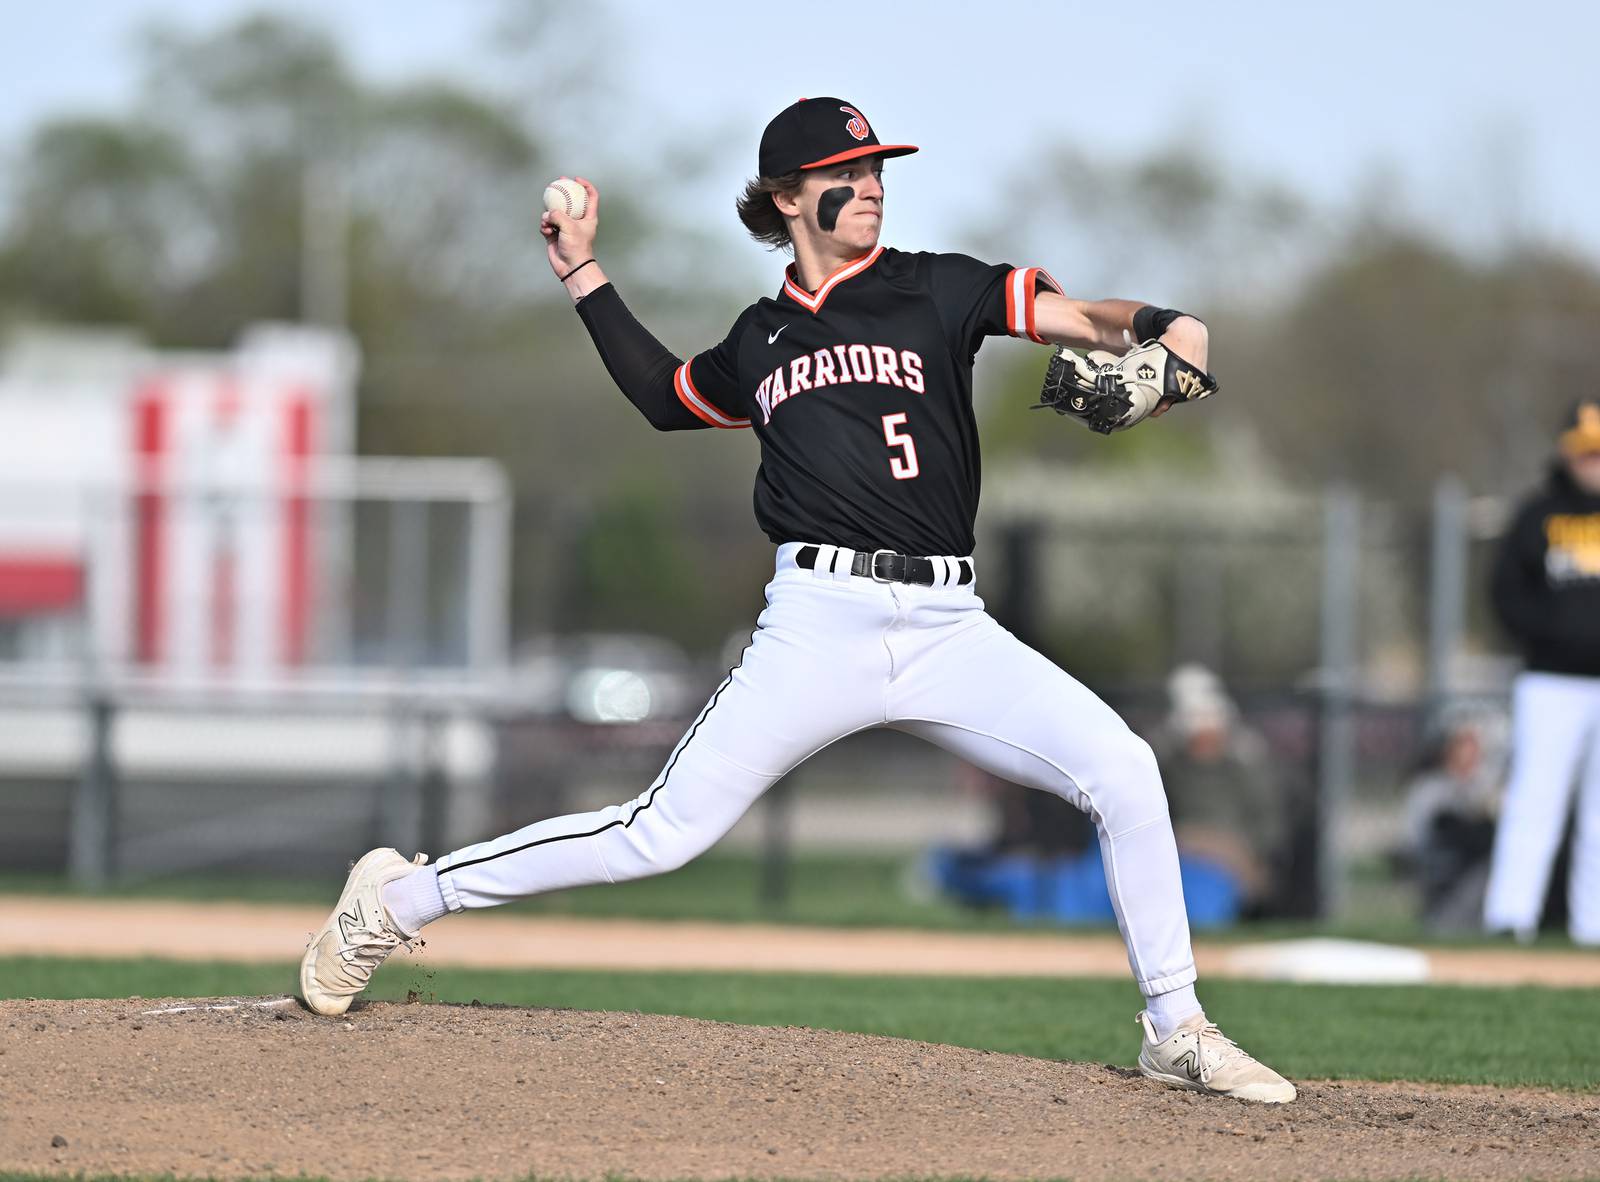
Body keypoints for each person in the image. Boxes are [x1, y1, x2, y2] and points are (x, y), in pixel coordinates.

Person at [298, 97, 1296, 1103]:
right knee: (658, 835)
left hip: (951, 626)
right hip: (819, 623)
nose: (867, 186)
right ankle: (395, 900)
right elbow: (665, 395)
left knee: (1123, 770)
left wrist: (1175, 329)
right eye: (844, 172)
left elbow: (1084, 317)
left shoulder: (935, 289)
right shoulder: (761, 337)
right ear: (785, 197)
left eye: (875, 170)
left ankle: (1175, 1030)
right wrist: (580, 272)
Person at [1483, 398, 1600, 945]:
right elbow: (1506, 592)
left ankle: (1592, 925)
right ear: (1566, 454)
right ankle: (1511, 918)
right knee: (1536, 799)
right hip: (1550, 681)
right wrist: (1551, 635)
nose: (1593, 462)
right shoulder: (1538, 515)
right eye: (1586, 452)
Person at [1151, 665, 1283, 923]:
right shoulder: (1172, 764)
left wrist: (1235, 851)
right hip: (1183, 850)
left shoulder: (1245, 762)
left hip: (1233, 857)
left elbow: (1268, 830)